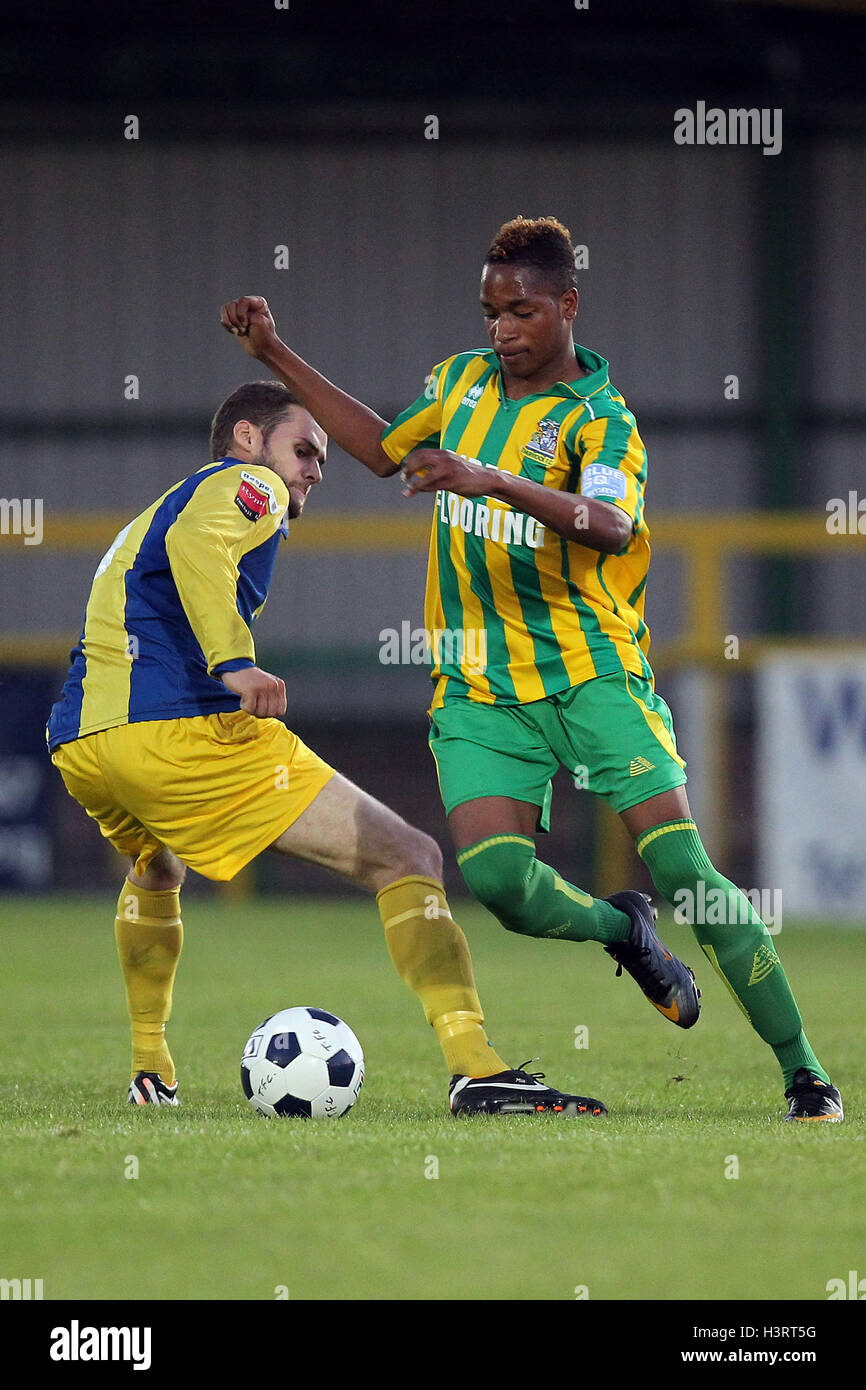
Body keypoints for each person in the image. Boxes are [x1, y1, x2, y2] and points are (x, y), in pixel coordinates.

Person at [219, 214, 843, 1122]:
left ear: (567, 305)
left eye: (519, 311)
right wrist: (277, 353)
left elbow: (612, 526)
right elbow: (383, 443)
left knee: (687, 873)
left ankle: (804, 1071)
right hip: (478, 685)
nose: (501, 330)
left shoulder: (604, 422)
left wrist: (495, 480)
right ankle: (621, 932)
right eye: (489, 312)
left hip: (593, 675)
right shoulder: (461, 382)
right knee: (504, 886)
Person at [46, 379, 615, 1116]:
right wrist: (233, 661)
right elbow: (198, 548)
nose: (317, 467)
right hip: (174, 733)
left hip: (84, 743)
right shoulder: (248, 485)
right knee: (409, 857)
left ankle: (150, 1066)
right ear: (249, 439)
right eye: (305, 449)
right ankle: (476, 1067)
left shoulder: (167, 502)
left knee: (156, 866)